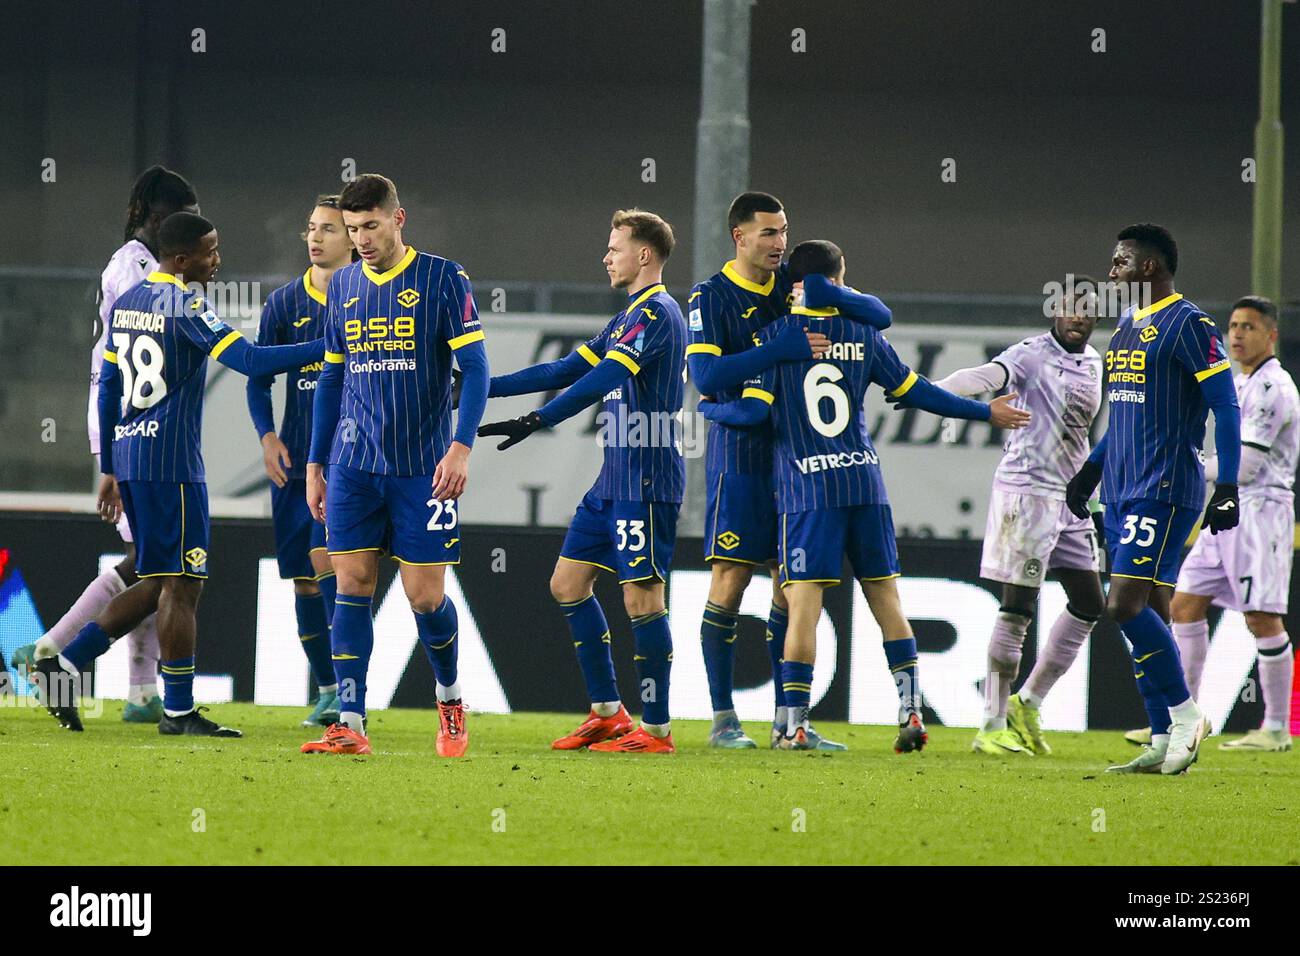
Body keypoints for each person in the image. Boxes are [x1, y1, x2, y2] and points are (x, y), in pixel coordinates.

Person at [699, 240, 1031, 751]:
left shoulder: (777, 337)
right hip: (864, 483)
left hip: (808, 489)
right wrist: (985, 411)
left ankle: (793, 725)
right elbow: (917, 391)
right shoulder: (864, 334)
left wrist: (710, 409)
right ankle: (910, 709)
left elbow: (753, 412)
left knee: (802, 605)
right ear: (838, 278)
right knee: (887, 600)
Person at [32, 212, 326, 736]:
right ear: (184, 259)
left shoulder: (129, 302)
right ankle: (178, 711)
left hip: (133, 458)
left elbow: (108, 385)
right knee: (185, 585)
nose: (218, 261)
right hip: (172, 467)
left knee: (156, 581)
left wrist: (110, 464)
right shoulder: (185, 305)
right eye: (210, 252)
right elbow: (252, 361)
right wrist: (330, 346)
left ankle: (66, 664)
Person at [687, 191, 891, 749]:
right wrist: (780, 349)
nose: (780, 242)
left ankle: (789, 722)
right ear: (739, 236)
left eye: (784, 231)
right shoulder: (710, 295)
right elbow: (707, 378)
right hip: (740, 456)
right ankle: (723, 719)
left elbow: (879, 316)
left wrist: (833, 292)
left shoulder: (795, 286)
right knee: (730, 581)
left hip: (797, 461)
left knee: (791, 587)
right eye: (769, 232)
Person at [477, 209, 686, 753]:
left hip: (645, 479)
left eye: (615, 247)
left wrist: (538, 419)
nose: (606, 257)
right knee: (568, 584)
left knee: (642, 599)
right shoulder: (628, 317)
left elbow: (603, 378)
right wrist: (478, 387)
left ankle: (656, 730)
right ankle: (608, 713)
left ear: (644, 254)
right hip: (612, 478)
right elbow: (564, 369)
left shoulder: (659, 313)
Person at [301, 174, 489, 758]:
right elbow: (332, 377)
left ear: (397, 219)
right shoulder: (343, 285)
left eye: (370, 226)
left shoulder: (443, 278)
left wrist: (461, 447)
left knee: (424, 598)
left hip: (422, 469)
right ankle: (350, 722)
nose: (360, 239)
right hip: (353, 465)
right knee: (351, 584)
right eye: (352, 229)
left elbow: (476, 369)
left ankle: (450, 699)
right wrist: (315, 462)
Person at [13, 167, 199, 723]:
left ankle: (139, 691)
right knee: (154, 563)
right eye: (182, 220)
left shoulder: (135, 262)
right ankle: (50, 652)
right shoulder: (136, 268)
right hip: (127, 425)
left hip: (134, 425)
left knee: (152, 561)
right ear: (157, 219)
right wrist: (113, 458)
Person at [1066, 223, 1241, 775]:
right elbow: (1124, 412)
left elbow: (1225, 405)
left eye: (1120, 261)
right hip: (1121, 488)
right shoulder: (1125, 326)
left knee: (1122, 605)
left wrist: (1228, 484)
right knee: (1153, 611)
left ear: (1149, 267)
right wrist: (1090, 472)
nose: (1111, 270)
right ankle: (1163, 735)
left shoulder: (1190, 324)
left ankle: (1188, 716)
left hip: (1163, 487)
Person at [918, 277, 1106, 756]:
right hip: (1027, 494)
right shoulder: (1030, 355)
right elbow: (982, 377)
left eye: (1088, 310)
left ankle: (1029, 701)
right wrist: (928, 393)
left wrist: (1094, 496)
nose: (1079, 316)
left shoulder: (1094, 362)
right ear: (1055, 310)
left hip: (1071, 498)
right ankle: (991, 724)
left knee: (1090, 602)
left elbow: (1083, 436)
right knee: (1018, 608)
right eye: (1071, 307)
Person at [1126, 296, 1296, 752]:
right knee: (1184, 606)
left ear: (1271, 335)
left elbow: (1247, 468)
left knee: (1261, 617)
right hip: (1225, 511)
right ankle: (1184, 718)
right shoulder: (1239, 382)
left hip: (1259, 512)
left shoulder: (1272, 388)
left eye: (1249, 327)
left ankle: (1276, 728)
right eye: (1233, 326)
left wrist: (1185, 465)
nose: (1237, 334)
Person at [246, 195, 356, 728]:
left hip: (347, 457)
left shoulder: (368, 296)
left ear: (352, 238)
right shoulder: (284, 303)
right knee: (304, 580)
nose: (315, 237)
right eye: (311, 228)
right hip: (294, 458)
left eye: (328, 229)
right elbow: (258, 378)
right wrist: (267, 436)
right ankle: (330, 689)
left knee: (328, 560)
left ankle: (349, 690)